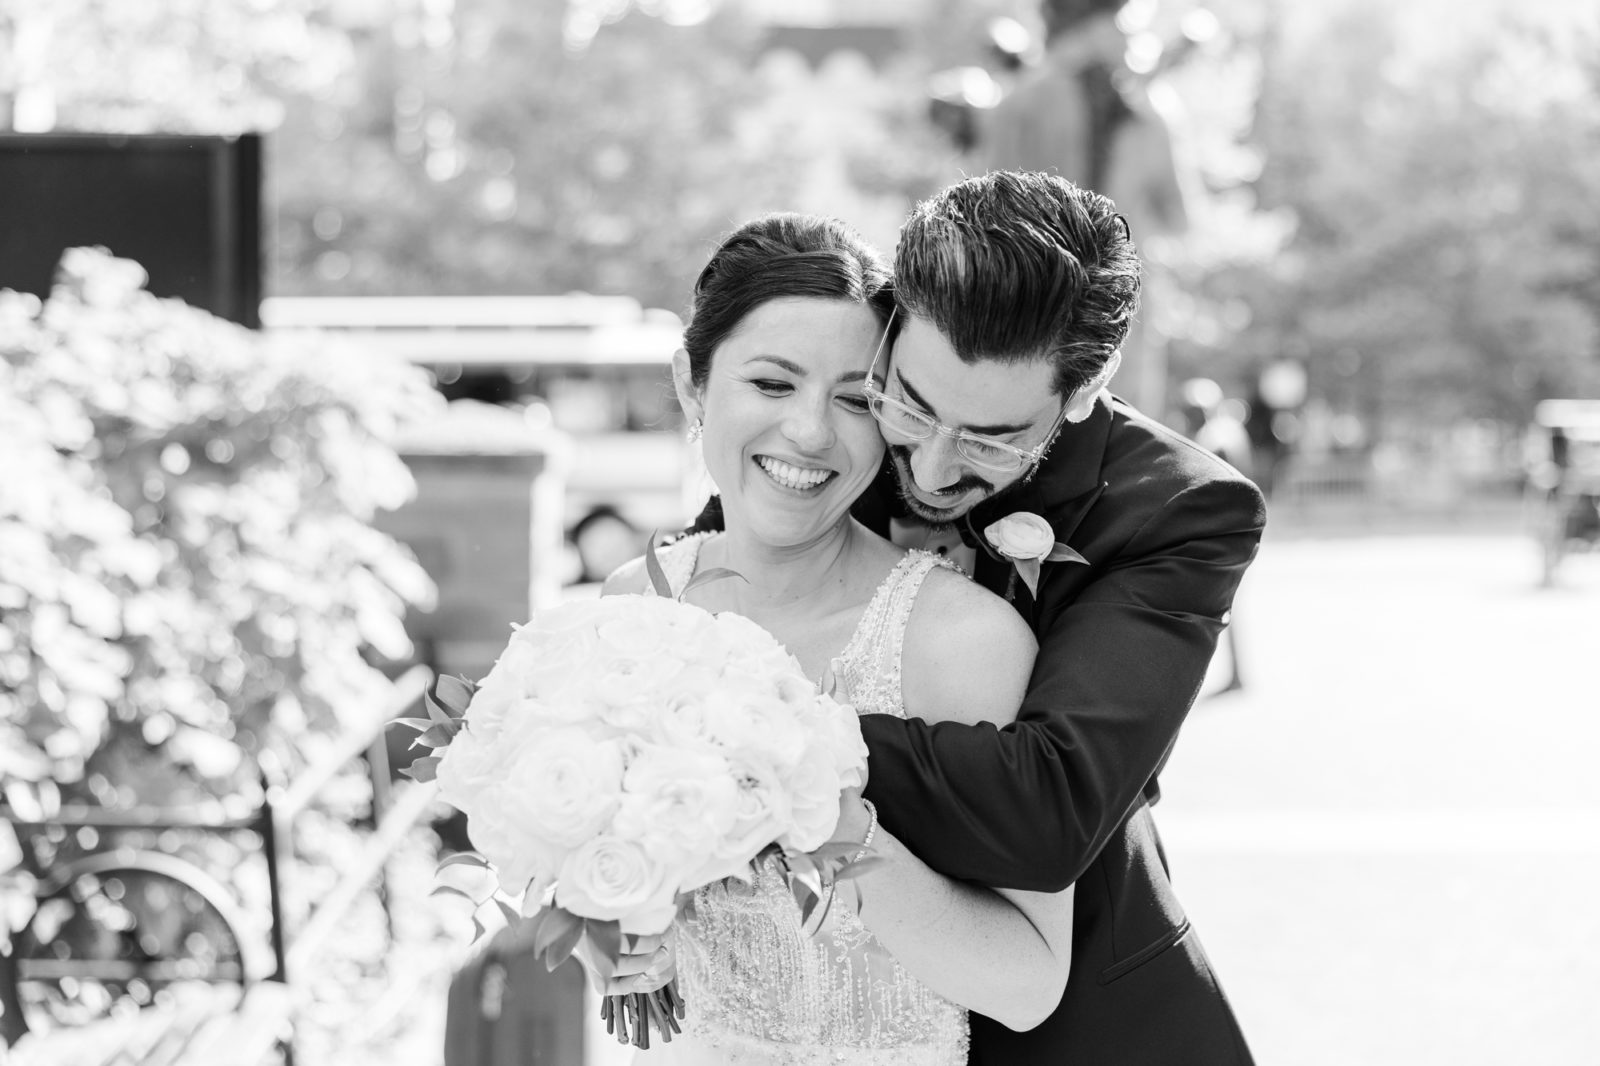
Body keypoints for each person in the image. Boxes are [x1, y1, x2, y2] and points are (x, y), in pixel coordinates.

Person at [687, 171, 1264, 1065]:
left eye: (993, 437)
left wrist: (752, 737)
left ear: (1086, 386)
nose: (931, 465)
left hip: (1084, 1029)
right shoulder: (838, 433)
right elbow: (709, 609)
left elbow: (1052, 808)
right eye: (910, 403)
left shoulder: (1180, 514)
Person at [602, 213, 1075, 1065]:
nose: (812, 433)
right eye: (773, 385)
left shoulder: (961, 641)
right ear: (692, 386)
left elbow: (1030, 984)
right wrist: (623, 934)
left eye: (856, 399)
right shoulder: (635, 608)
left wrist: (835, 826)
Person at [980, 0, 1194, 417]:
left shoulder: (1016, 104)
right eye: (1121, 22)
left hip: (1030, 303)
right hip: (1120, 308)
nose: (1130, 35)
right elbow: (1180, 217)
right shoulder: (1149, 110)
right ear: (1090, 27)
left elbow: (988, 218)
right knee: (1120, 438)